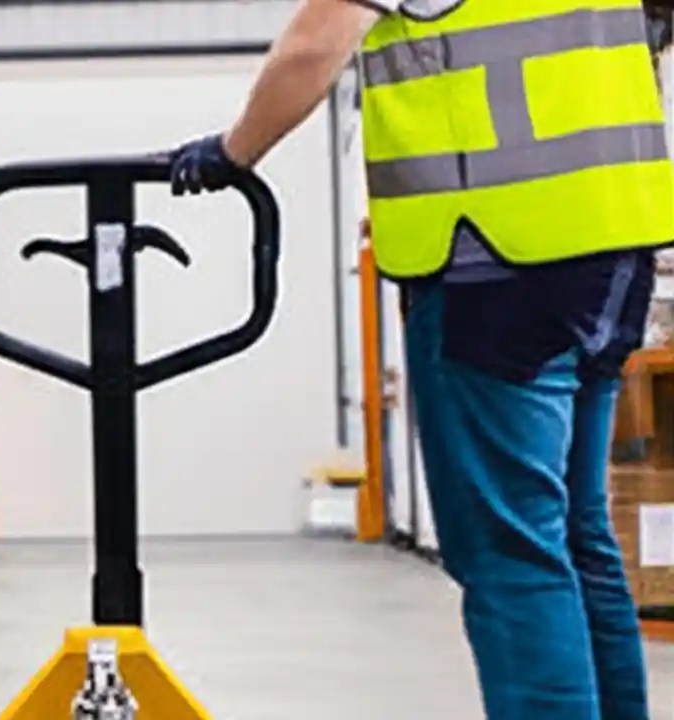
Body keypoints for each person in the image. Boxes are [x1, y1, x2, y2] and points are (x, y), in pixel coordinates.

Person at [170, 0, 674, 717]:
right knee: (573, 529)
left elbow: (315, 44)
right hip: (613, 245)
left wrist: (233, 151)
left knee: (511, 548)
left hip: (498, 257)